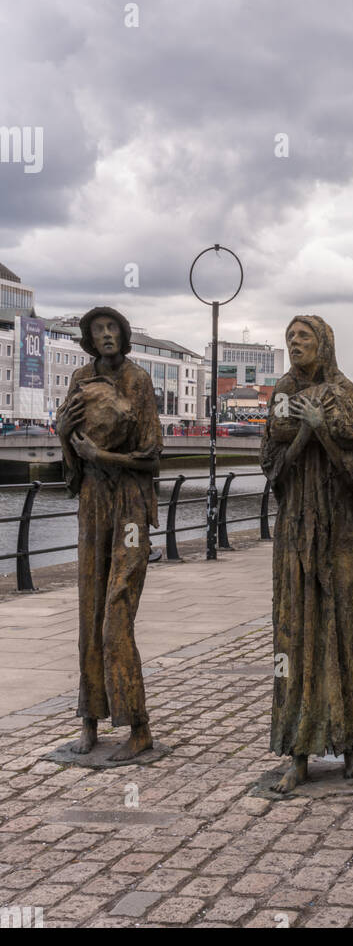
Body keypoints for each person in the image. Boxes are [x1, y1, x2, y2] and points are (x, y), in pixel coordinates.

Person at [260, 315, 353, 794]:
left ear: (323, 343)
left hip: (338, 533)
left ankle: (348, 747)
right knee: (295, 632)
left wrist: (322, 429)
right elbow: (273, 467)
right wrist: (305, 434)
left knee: (342, 630)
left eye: (304, 337)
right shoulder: (283, 389)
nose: (295, 343)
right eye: (290, 337)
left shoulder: (343, 390)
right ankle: (298, 753)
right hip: (296, 534)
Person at [56, 307, 162, 761]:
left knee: (116, 613)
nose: (106, 335)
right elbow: (74, 457)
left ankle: (138, 727)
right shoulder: (80, 378)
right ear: (89, 338)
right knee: (89, 610)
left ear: (123, 334)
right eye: (98, 330)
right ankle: (90, 721)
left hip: (132, 510)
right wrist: (63, 435)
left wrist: (103, 456)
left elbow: (152, 456)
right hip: (94, 505)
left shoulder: (138, 381)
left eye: (112, 327)